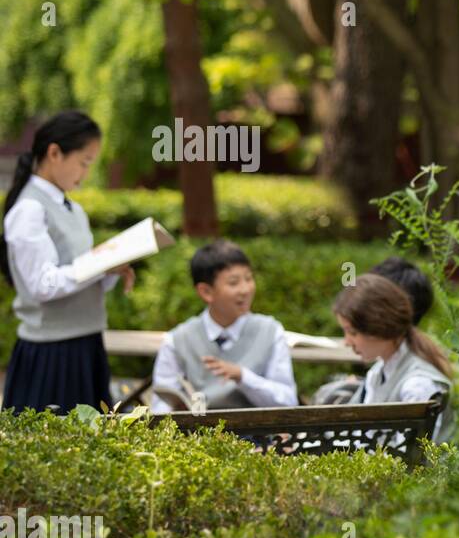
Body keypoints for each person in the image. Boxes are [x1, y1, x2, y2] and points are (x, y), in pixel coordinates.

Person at [1, 111, 134, 413]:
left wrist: (111, 268)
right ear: (54, 153)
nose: (85, 173)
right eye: (84, 162)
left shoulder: (74, 209)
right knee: (51, 453)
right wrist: (98, 264)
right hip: (52, 353)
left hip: (85, 344)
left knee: (90, 451)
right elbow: (43, 285)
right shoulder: (30, 210)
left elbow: (77, 274)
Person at [150, 240, 297, 412]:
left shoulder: (271, 331)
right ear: (206, 292)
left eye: (248, 279)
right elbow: (160, 404)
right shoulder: (177, 339)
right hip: (198, 436)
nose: (245, 289)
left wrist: (242, 377)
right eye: (234, 283)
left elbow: (288, 401)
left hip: (257, 436)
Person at [332, 273, 455, 444]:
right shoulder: (379, 372)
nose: (346, 342)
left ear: (379, 327)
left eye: (353, 332)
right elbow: (362, 440)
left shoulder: (417, 385)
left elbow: (411, 460)